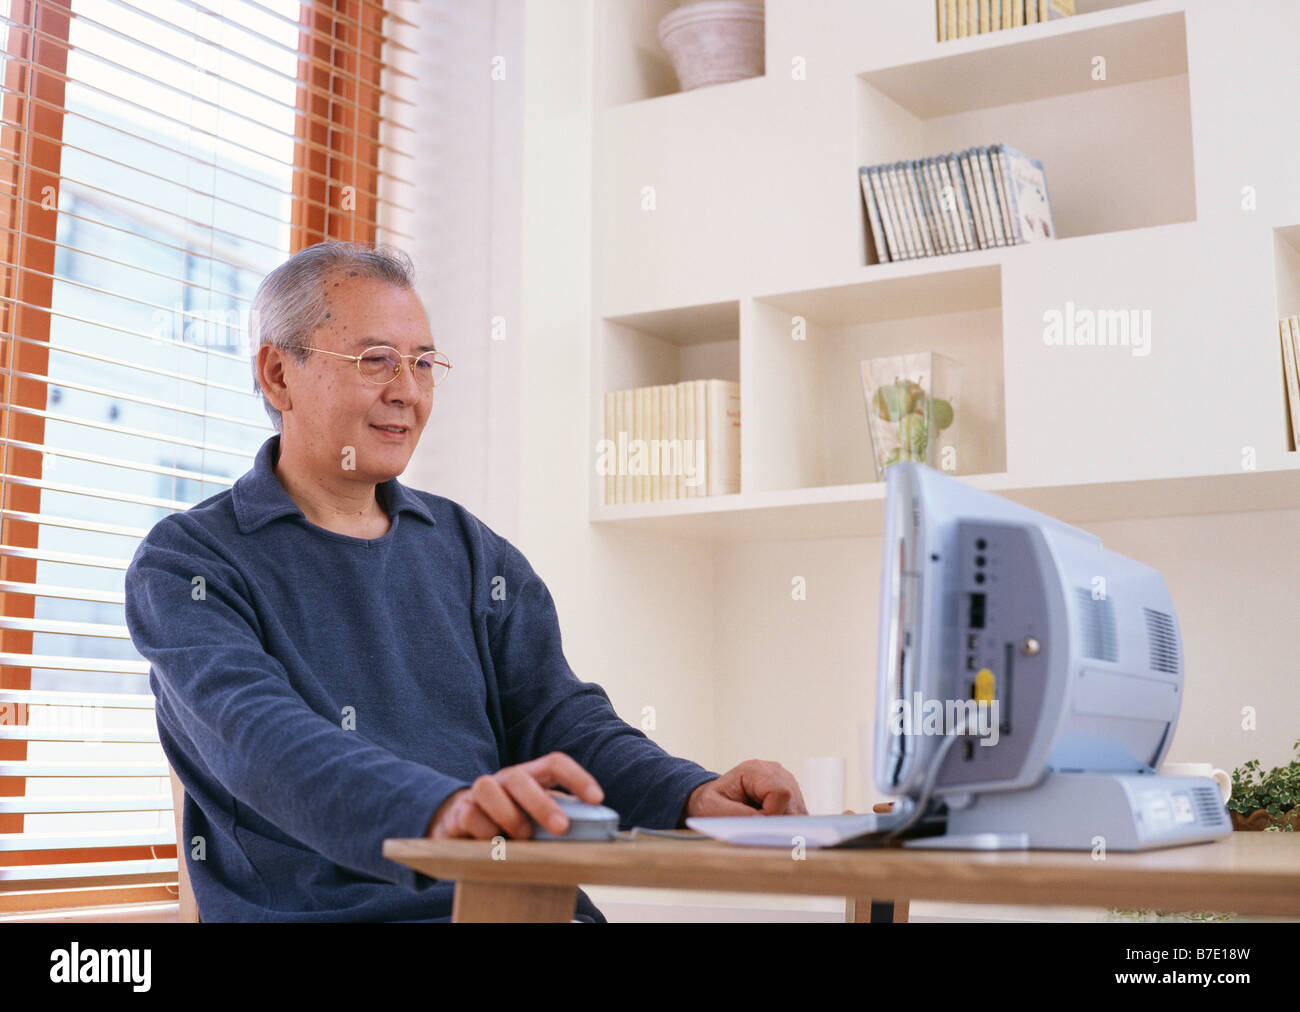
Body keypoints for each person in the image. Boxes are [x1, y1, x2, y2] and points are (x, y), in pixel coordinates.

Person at [124, 241, 807, 922]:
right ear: (278, 374)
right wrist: (443, 812)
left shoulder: (473, 554)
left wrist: (691, 796)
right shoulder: (188, 565)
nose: (408, 392)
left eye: (423, 364)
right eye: (376, 361)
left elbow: (559, 722)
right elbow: (265, 743)